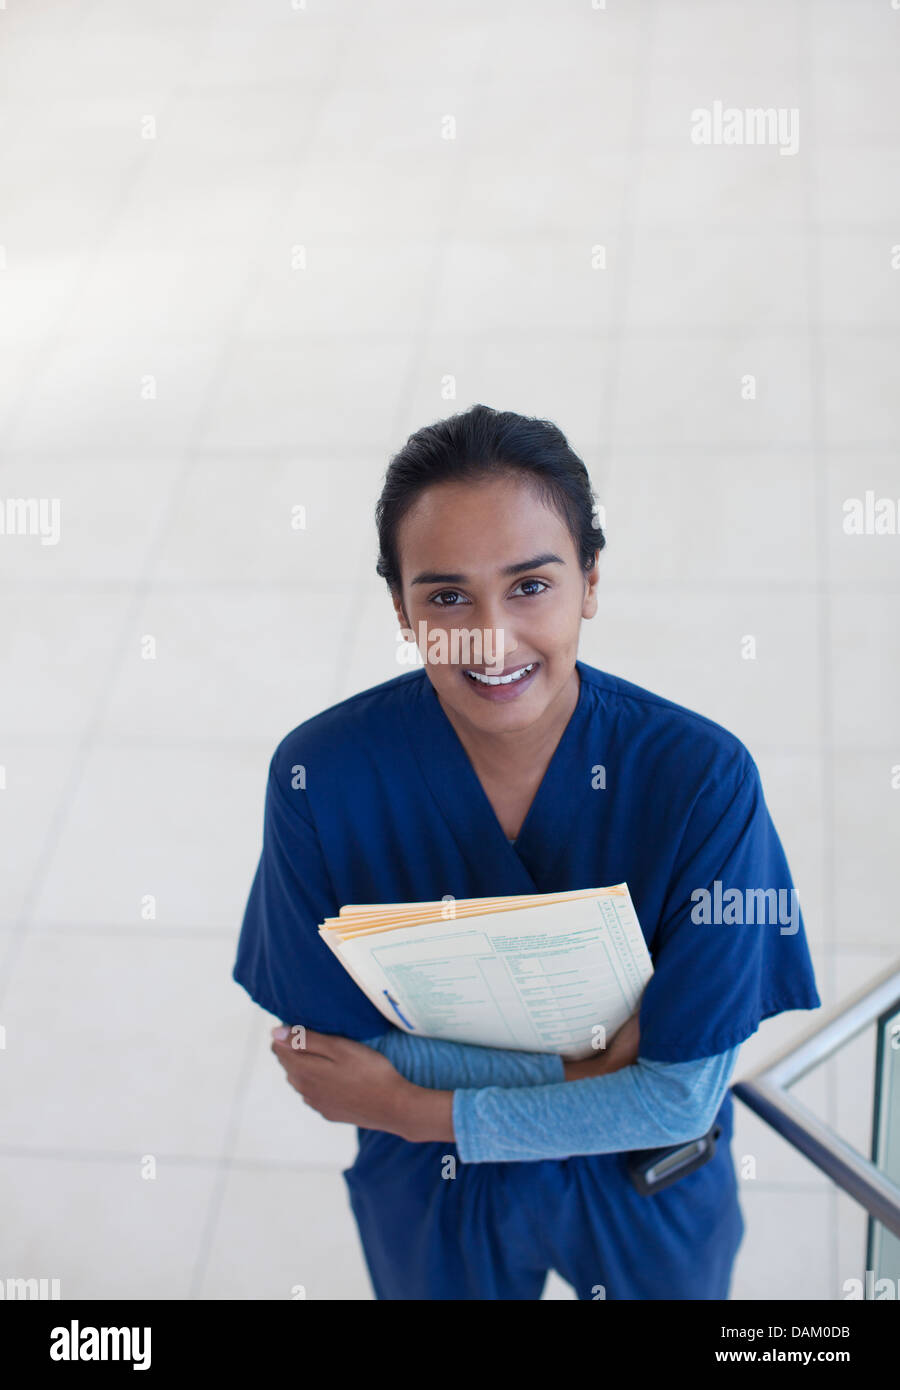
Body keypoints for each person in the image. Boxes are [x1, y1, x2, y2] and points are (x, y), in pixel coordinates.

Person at [233, 403, 821, 1300]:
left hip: (638, 1181)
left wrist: (408, 1103)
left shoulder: (701, 782)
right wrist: (598, 1070)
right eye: (446, 596)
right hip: (436, 1187)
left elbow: (675, 1100)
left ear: (591, 580)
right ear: (401, 608)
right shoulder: (323, 775)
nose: (492, 638)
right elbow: (323, 1054)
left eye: (532, 586)